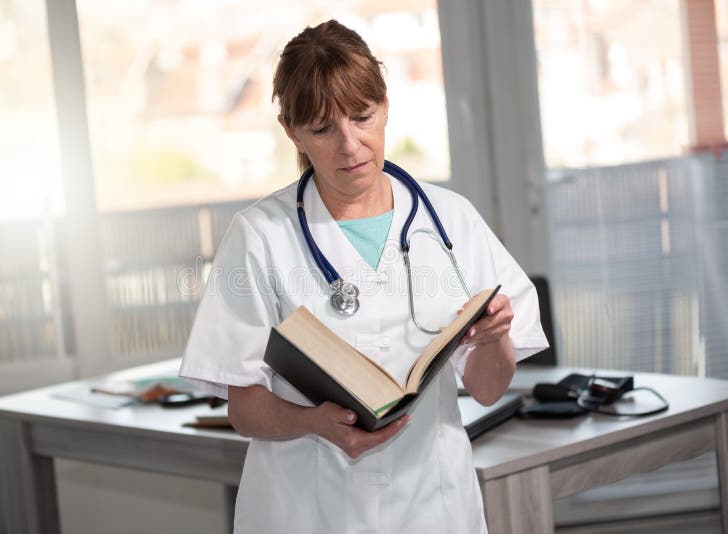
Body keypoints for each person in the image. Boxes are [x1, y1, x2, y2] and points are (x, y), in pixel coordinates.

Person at [180, 19, 548, 533]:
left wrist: (495, 338)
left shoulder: (452, 221)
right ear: (292, 131)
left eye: (362, 117)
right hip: (308, 508)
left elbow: (488, 390)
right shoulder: (260, 235)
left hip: (431, 506)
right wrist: (312, 422)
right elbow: (244, 408)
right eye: (323, 129)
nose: (350, 145)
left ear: (385, 107)